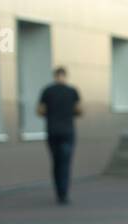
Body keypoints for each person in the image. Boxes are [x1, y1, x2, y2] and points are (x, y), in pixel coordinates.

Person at [37, 67, 82, 205]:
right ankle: (63, 194)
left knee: (56, 162)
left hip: (52, 131)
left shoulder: (47, 91)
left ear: (55, 76)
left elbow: (40, 111)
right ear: (65, 76)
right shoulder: (72, 91)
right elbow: (79, 111)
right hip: (68, 132)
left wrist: (51, 114)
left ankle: (58, 191)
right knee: (65, 163)